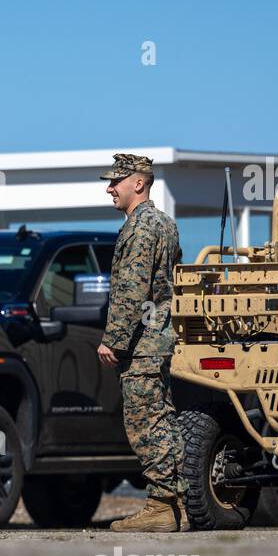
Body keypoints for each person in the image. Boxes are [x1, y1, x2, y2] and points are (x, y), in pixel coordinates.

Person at [95, 154, 188, 533]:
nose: (109, 188)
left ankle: (162, 505)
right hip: (159, 335)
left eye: (116, 181)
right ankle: (175, 502)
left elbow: (132, 292)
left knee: (145, 421)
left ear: (139, 183)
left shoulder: (140, 229)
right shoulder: (164, 224)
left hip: (144, 342)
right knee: (162, 417)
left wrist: (113, 340)